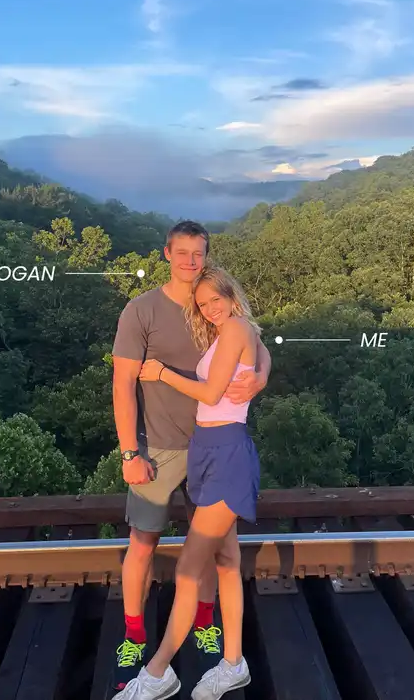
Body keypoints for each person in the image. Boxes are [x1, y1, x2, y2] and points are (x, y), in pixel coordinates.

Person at [111, 221, 271, 690]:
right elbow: (122, 384)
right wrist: (129, 450)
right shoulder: (141, 310)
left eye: (197, 253)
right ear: (166, 254)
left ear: (206, 256)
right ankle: (135, 636)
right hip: (159, 447)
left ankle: (205, 629)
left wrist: (262, 373)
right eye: (181, 252)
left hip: (210, 448)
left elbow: (254, 342)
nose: (189, 261)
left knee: (218, 555)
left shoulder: (214, 309)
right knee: (143, 543)